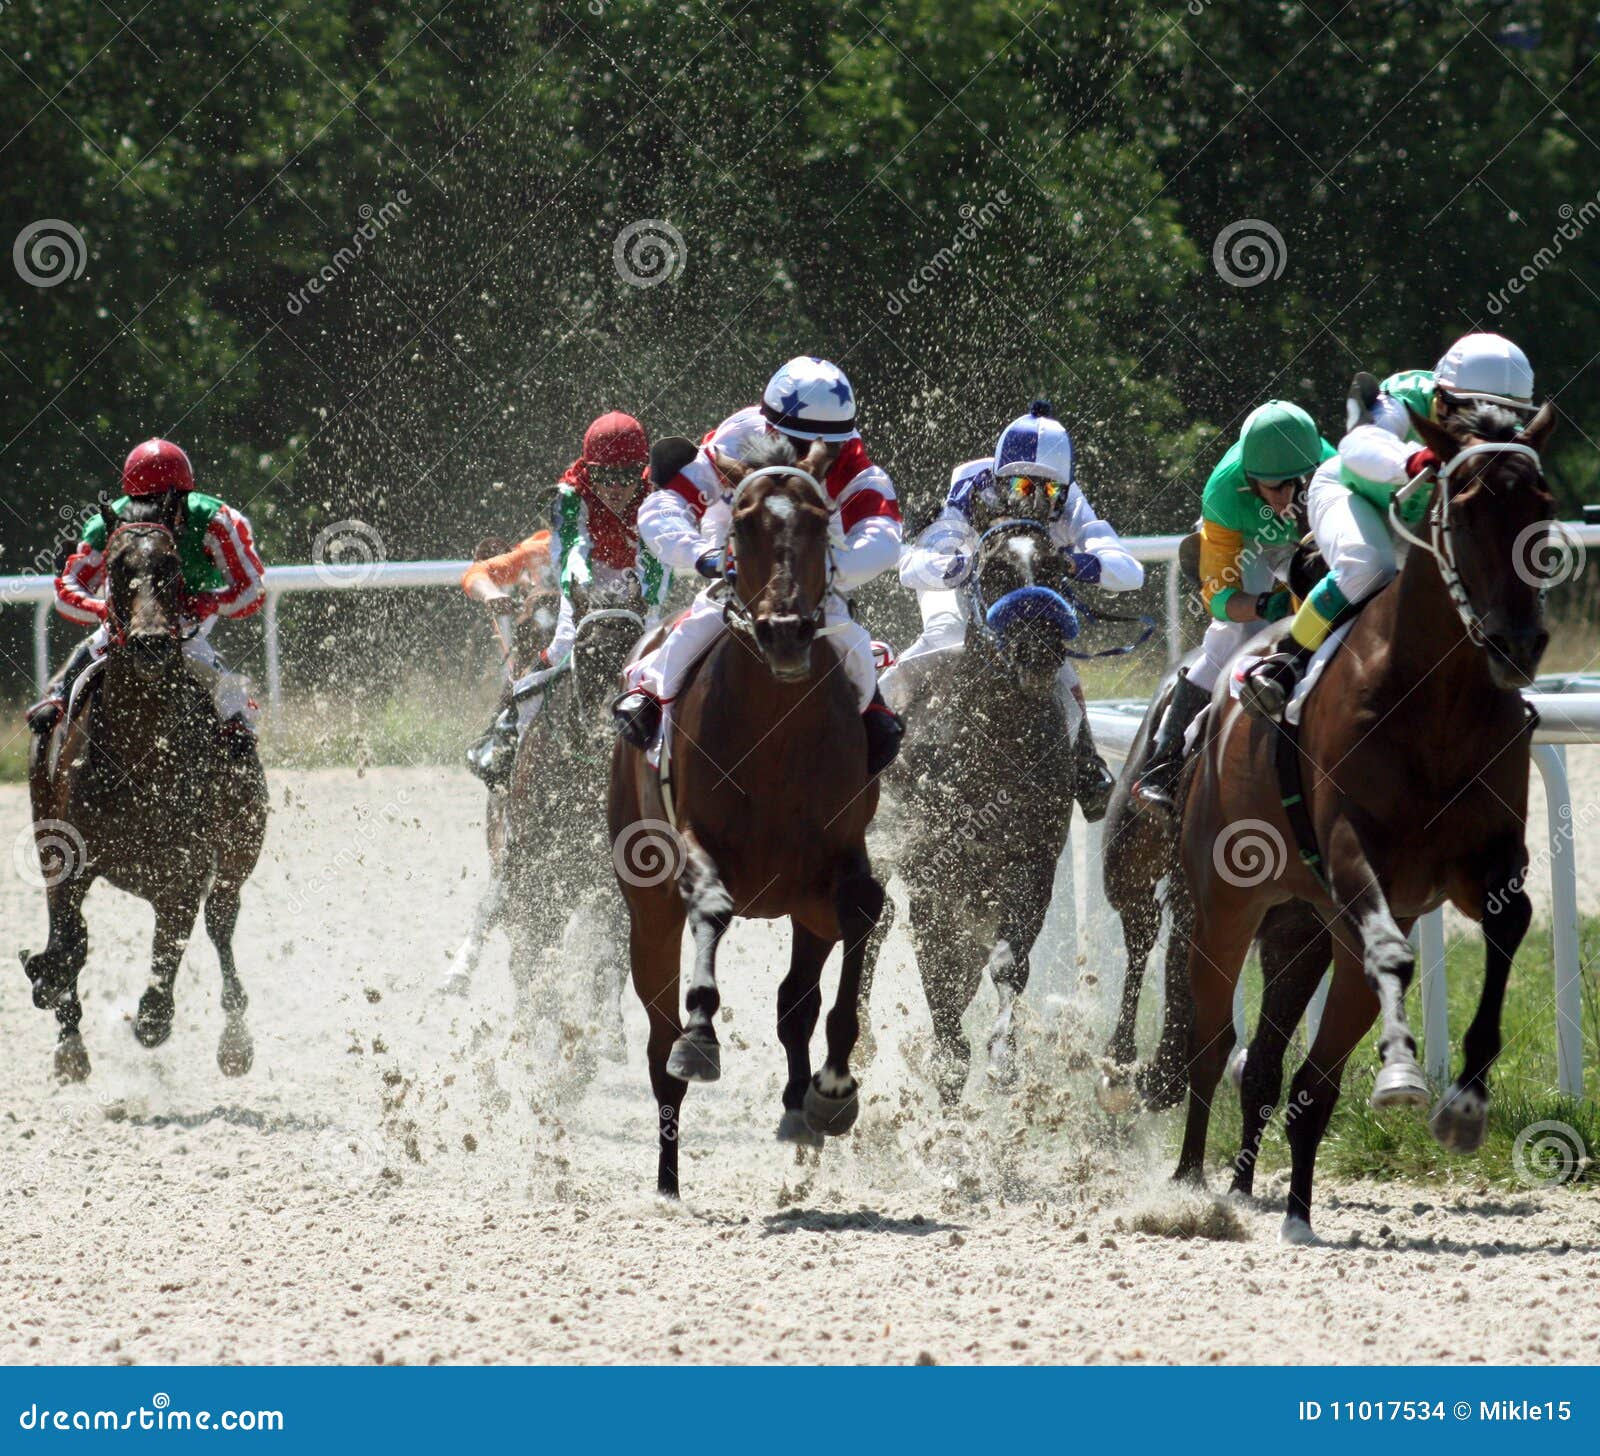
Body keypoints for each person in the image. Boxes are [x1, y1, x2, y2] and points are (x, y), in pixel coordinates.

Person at [612, 357, 904, 774]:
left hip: (810, 576)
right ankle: (653, 694)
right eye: (798, 444)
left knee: (850, 640)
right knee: (704, 621)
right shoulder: (735, 442)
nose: (811, 456)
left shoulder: (853, 467)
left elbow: (883, 540)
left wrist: (819, 566)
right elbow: (663, 507)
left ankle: (873, 711)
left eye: (826, 446)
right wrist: (700, 553)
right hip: (738, 562)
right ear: (769, 429)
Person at [1240, 332, 1536, 721]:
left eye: (1510, 415)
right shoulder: (1406, 395)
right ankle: (1288, 661)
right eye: (1480, 410)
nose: (1495, 427)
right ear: (1443, 400)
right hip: (1354, 493)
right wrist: (1414, 460)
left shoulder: (1503, 443)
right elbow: (1358, 445)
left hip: (1419, 523)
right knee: (1368, 567)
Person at [885, 399, 1143, 820]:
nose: (1038, 501)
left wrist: (1074, 563)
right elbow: (912, 567)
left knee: (1060, 667)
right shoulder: (972, 485)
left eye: (1050, 490)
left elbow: (1129, 570)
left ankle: (1085, 762)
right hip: (961, 583)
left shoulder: (1070, 500)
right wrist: (959, 565)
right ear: (1002, 479)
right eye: (1024, 488)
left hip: (1026, 586)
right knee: (946, 633)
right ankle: (876, 726)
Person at [1137, 400, 1334, 811]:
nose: (1287, 498)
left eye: (1297, 484)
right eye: (1274, 487)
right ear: (1249, 479)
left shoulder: (1332, 470)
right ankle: (1164, 763)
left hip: (1304, 543)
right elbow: (1219, 598)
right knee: (1230, 636)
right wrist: (1265, 604)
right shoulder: (1224, 491)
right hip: (1246, 548)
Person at [465, 411, 668, 788]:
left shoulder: (657, 494)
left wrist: (643, 598)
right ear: (589, 471)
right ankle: (508, 733)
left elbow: (655, 559)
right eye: (605, 476)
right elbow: (574, 552)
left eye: (626, 475)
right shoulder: (563, 508)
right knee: (556, 642)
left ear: (641, 469)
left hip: (639, 581)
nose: (616, 487)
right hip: (580, 584)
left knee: (655, 650)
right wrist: (583, 591)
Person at [27, 438, 265, 746]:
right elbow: (67, 590)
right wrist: (103, 609)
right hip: (123, 617)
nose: (155, 512)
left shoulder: (218, 521)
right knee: (99, 643)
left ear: (184, 497)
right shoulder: (106, 525)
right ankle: (60, 694)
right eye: (145, 502)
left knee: (200, 658)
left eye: (165, 501)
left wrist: (211, 602)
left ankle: (238, 723)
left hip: (186, 617)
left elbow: (253, 589)